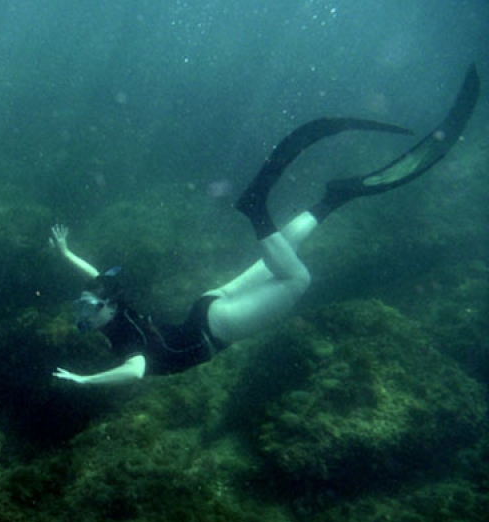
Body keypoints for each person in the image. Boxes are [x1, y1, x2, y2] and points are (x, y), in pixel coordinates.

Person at [51, 64, 480, 385]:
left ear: (107, 307)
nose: (82, 313)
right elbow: (97, 280)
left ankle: (256, 208)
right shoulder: (116, 307)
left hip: (216, 329)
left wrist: (85, 381)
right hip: (210, 305)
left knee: (298, 281)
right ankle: (334, 199)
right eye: (82, 307)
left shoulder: (121, 338)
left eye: (87, 308)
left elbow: (135, 370)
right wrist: (69, 255)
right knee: (283, 263)